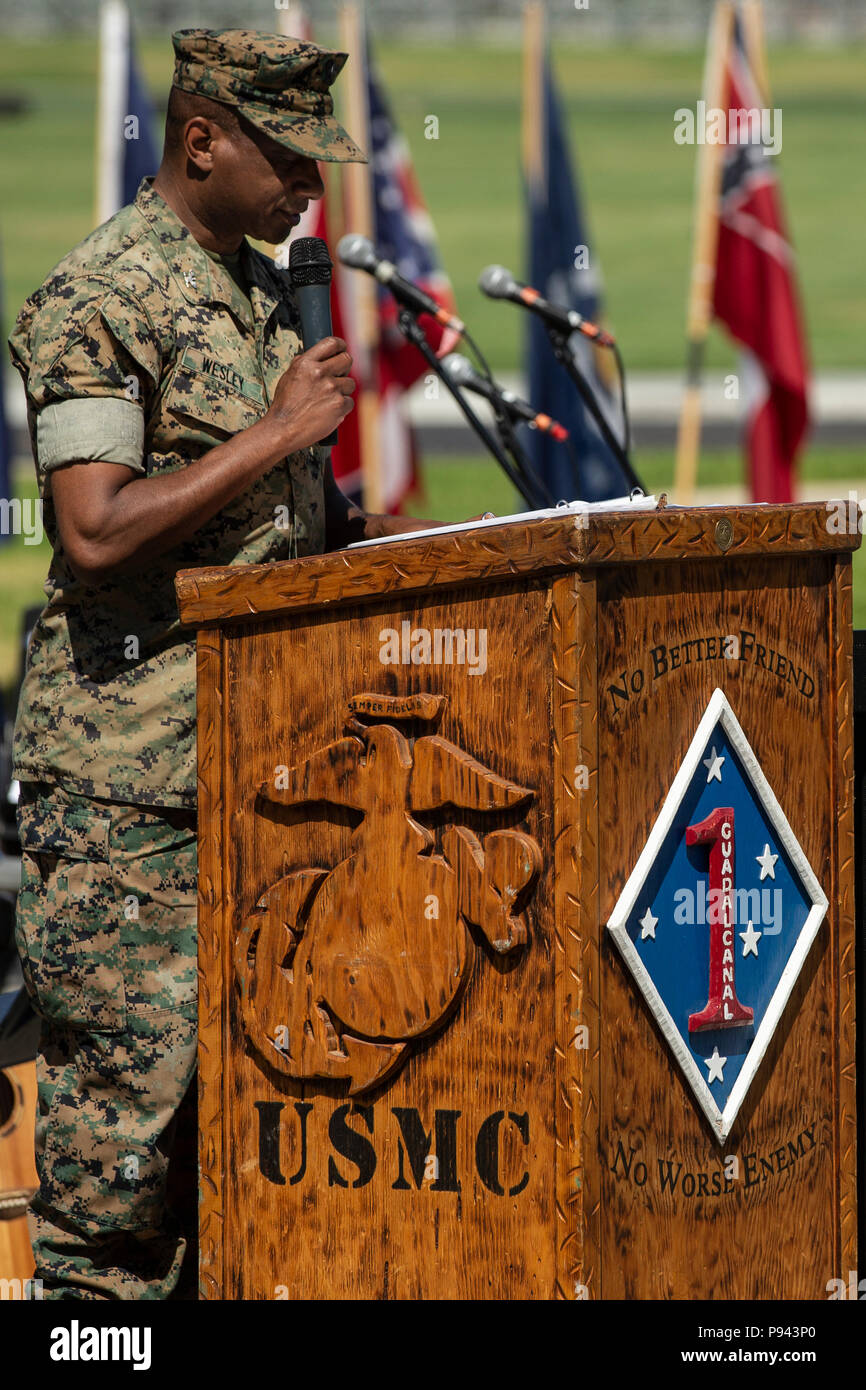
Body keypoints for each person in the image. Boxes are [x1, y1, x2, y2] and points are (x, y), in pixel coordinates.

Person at [7, 27, 442, 1300]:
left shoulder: (263, 297)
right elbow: (93, 530)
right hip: (131, 793)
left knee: (246, 1134)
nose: (313, 187)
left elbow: (265, 532)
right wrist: (277, 433)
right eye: (288, 156)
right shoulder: (100, 294)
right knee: (123, 1171)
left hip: (269, 777)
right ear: (200, 138)